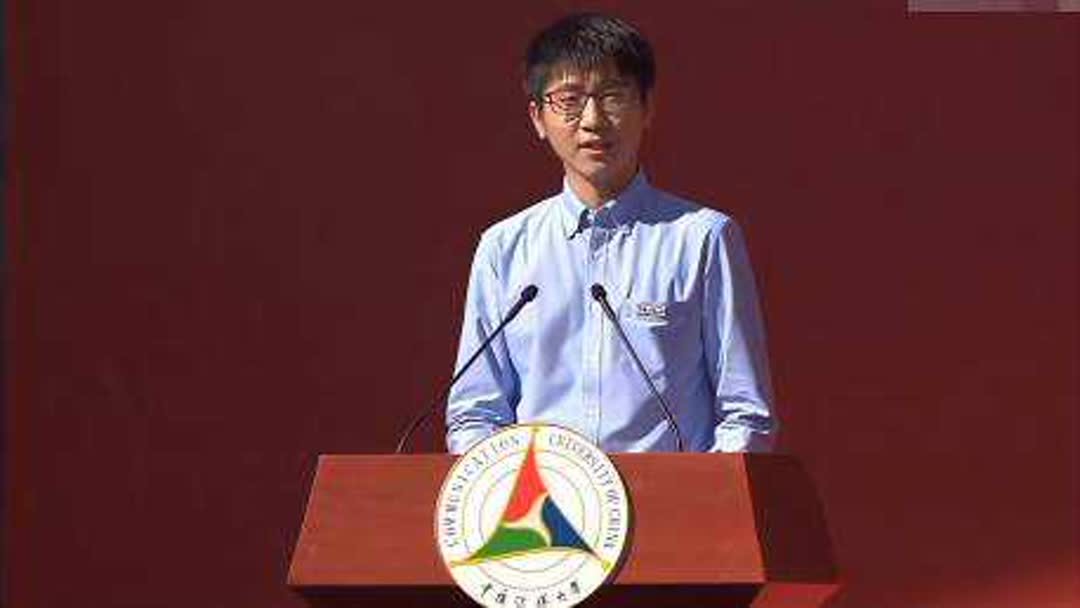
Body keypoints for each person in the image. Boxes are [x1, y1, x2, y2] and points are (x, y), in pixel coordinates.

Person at [445, 13, 776, 454]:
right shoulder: (504, 249)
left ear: (648, 108)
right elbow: (475, 415)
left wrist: (700, 492)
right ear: (538, 118)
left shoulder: (702, 239)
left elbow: (745, 414)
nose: (593, 120)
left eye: (613, 97)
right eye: (569, 100)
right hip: (542, 496)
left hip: (671, 495)